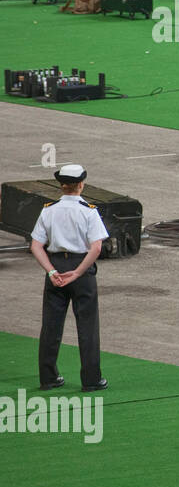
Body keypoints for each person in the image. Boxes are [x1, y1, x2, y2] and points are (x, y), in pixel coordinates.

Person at [30, 164, 110, 392]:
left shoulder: (49, 210)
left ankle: (48, 377)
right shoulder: (88, 210)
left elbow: (36, 245)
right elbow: (95, 248)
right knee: (87, 326)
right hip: (80, 269)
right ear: (81, 184)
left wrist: (51, 271)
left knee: (51, 325)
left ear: (61, 186)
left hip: (55, 266)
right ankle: (91, 379)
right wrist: (77, 272)